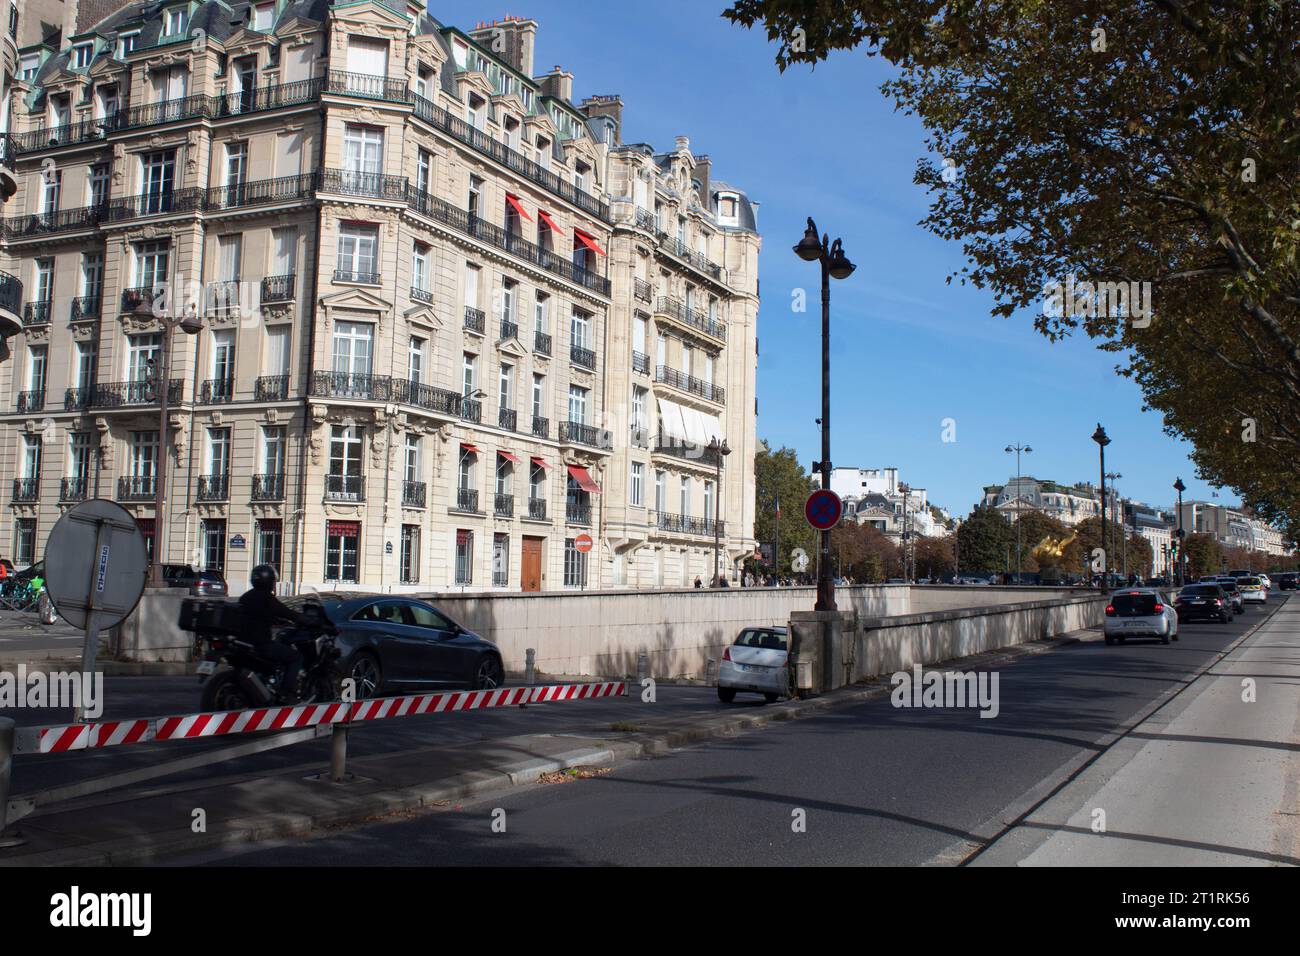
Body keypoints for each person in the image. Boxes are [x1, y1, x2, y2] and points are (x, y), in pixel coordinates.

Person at [238, 564, 335, 703]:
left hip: (244, 641)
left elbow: (263, 615)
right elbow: (286, 613)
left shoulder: (246, 597)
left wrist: (279, 621)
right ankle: (286, 693)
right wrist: (308, 620)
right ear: (269, 581)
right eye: (273, 581)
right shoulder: (266, 598)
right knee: (296, 657)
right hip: (260, 643)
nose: (273, 584)